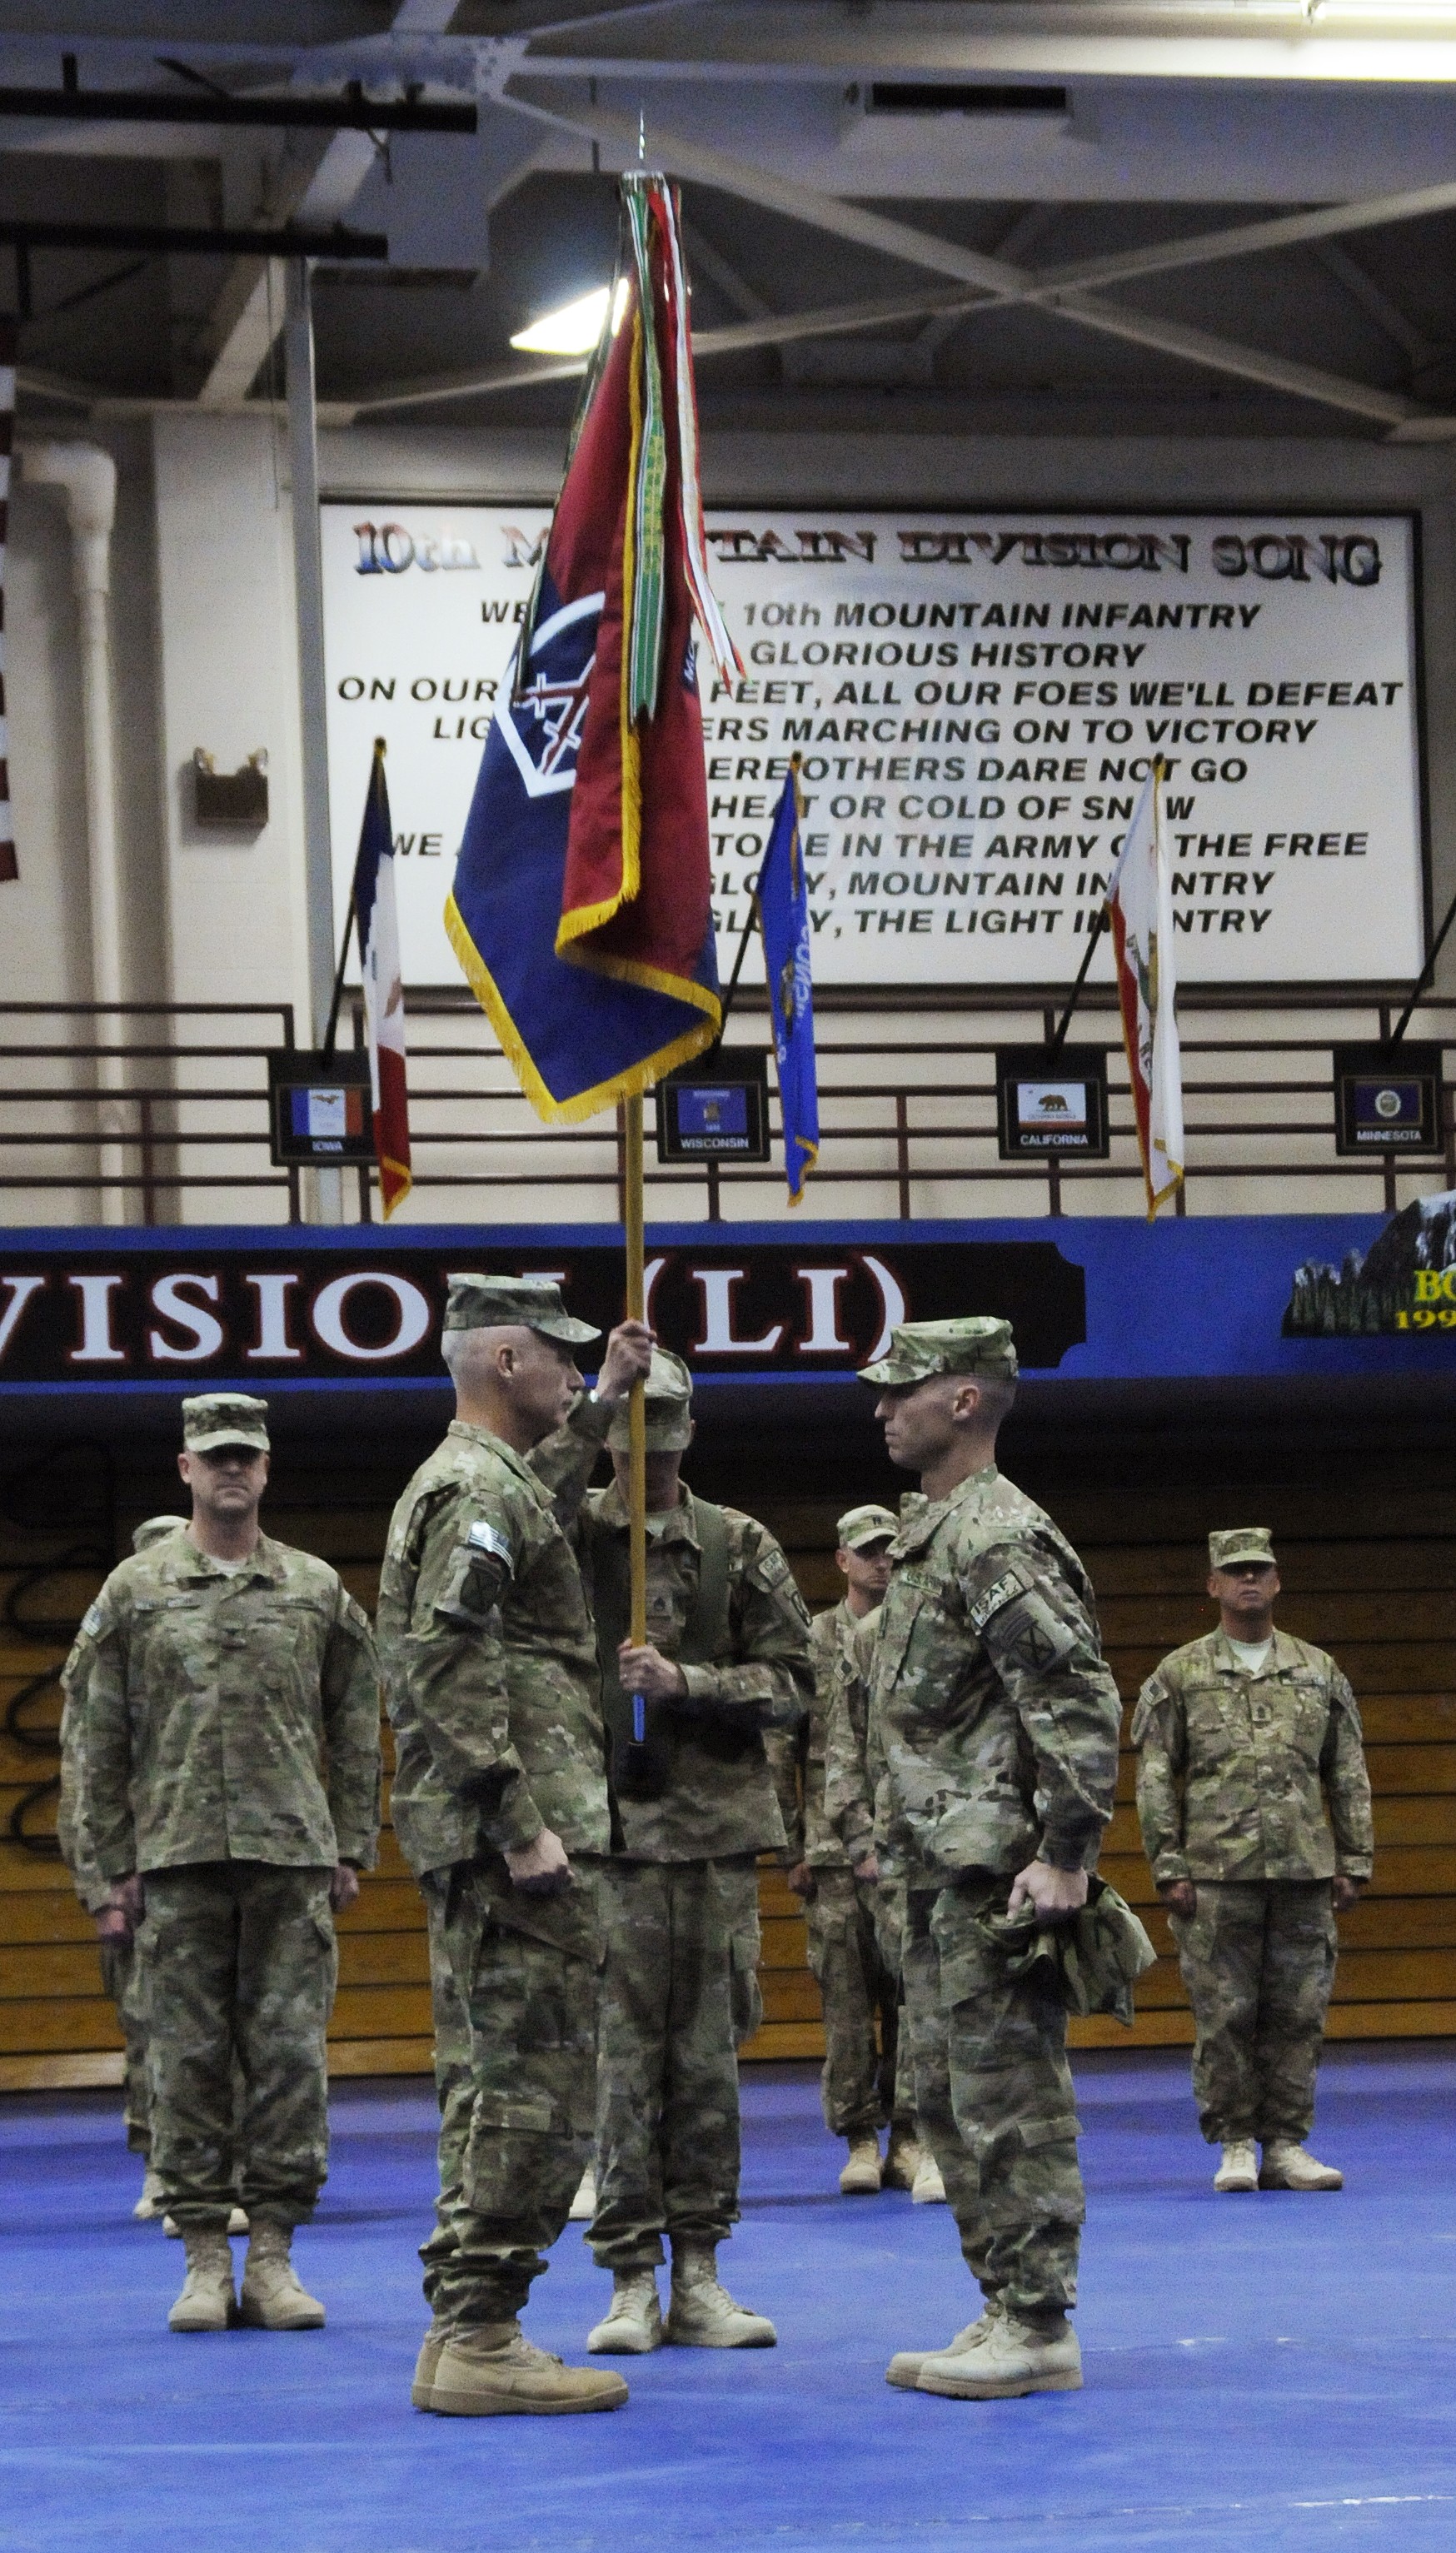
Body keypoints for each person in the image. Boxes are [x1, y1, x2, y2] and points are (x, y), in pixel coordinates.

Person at [377, 1276, 652, 2419]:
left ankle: (468, 2332)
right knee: (531, 2088)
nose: (577, 1372)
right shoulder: (472, 1488)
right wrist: (518, 1816)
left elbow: (529, 1512)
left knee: (496, 2082)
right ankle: (483, 2330)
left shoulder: (484, 1480)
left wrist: (606, 1409)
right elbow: (445, 1656)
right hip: (514, 1843)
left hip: (500, 1834)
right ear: (503, 1360)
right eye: (563, 1357)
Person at [855, 1316, 1122, 2402]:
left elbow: (1076, 1698)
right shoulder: (932, 1533)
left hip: (995, 1872)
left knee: (1006, 2094)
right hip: (932, 1867)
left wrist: (1065, 1854)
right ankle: (1003, 2296)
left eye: (901, 1390)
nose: (882, 1409)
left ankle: (1041, 2319)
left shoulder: (997, 1538)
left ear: (964, 1400)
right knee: (944, 2092)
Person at [74, 1397, 381, 2335]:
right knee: (186, 2062)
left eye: (245, 1456)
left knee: (288, 2058)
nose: (231, 1472)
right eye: (215, 1458)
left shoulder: (316, 1586)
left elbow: (356, 1719)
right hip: (174, 1855)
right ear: (185, 1469)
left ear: (267, 1467)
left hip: (289, 1855)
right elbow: (96, 1733)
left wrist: (351, 1839)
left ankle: (276, 2258)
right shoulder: (135, 1589)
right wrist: (105, 1865)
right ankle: (206, 2258)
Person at [577, 1349, 813, 2357]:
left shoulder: (737, 1543)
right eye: (637, 1445)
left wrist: (691, 1682)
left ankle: (701, 2270)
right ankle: (630, 2276)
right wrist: (593, 1403)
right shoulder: (570, 1532)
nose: (653, 1466)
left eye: (666, 1445)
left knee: (706, 2065)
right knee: (620, 2064)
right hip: (607, 1837)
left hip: (711, 1838)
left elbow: (798, 1681)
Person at [1132, 1527, 1374, 2195]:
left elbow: (1347, 1770)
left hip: (1302, 1869)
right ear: (1212, 1583)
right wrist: (1169, 1865)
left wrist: (1355, 1856)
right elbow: (1155, 1776)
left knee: (1299, 2012)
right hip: (1216, 1872)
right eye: (1234, 1570)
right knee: (1225, 2013)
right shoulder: (1180, 1674)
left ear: (1277, 1581)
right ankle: (1236, 2140)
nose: (1248, 1581)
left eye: (1259, 1570)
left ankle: (1288, 2141)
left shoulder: (1318, 1669)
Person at [770, 1503, 941, 2202]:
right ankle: (860, 2137)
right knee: (844, 1998)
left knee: (911, 1993)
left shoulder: (914, 1635)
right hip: (831, 1849)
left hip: (904, 1842)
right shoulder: (812, 1640)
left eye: (891, 1551)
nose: (883, 1562)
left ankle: (909, 2134)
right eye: (869, 1551)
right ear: (842, 1559)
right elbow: (783, 1746)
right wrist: (791, 1847)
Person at [59, 1516, 187, 2224]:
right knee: (150, 2026)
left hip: (195, 1860)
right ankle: (164, 2160)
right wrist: (100, 1886)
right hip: (134, 1871)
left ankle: (217, 2166)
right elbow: (80, 1782)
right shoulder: (105, 1669)